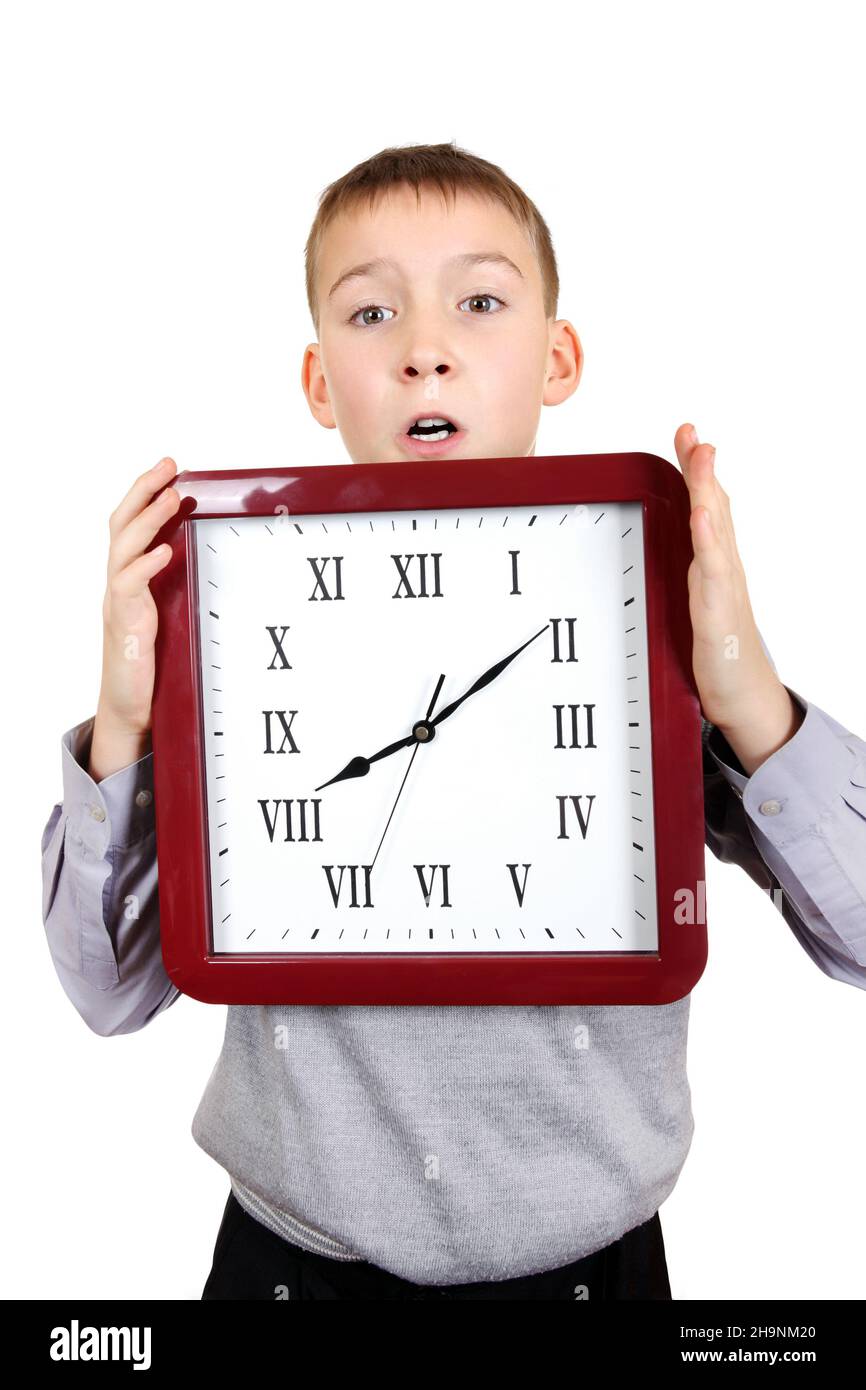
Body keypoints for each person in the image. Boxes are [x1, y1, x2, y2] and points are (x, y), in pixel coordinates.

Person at [40, 141, 866, 1301]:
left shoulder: (640, 603)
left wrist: (743, 696)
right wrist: (126, 723)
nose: (425, 348)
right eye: (371, 312)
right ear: (320, 381)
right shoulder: (232, 617)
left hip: (589, 1273)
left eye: (479, 301)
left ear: (556, 356)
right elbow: (109, 992)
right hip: (291, 1268)